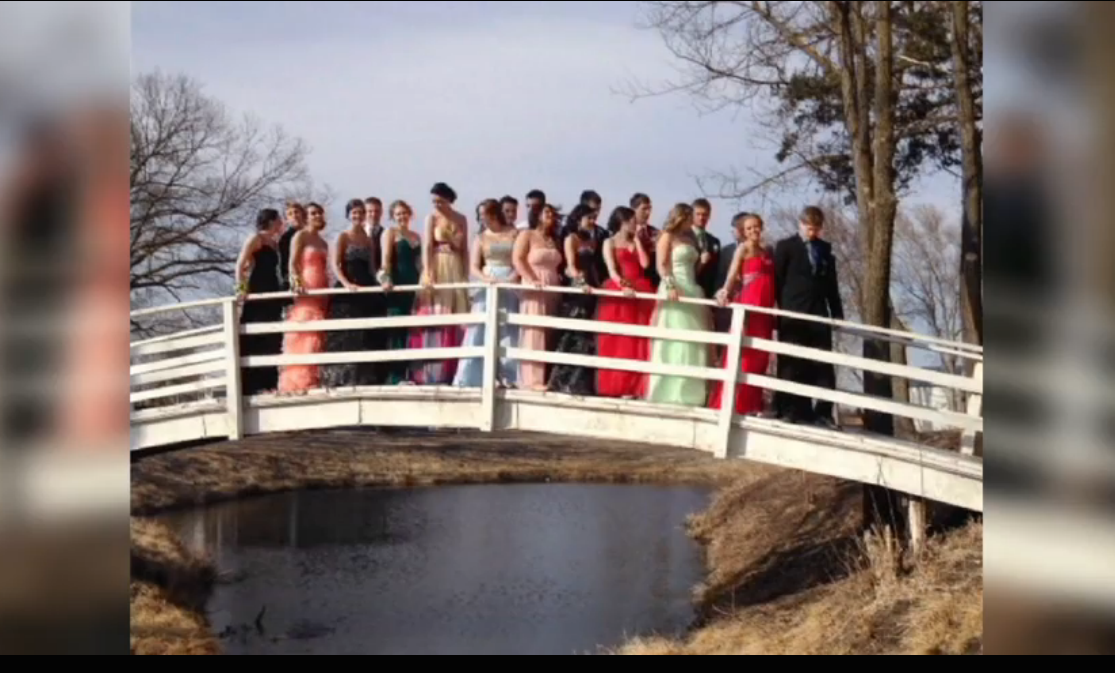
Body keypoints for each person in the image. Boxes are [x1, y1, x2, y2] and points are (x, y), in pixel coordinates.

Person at [772, 205, 843, 428]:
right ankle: (790, 408)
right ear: (801, 224)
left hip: (818, 312)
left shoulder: (825, 250)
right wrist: (778, 311)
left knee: (822, 363)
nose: (812, 233)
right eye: (809, 228)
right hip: (793, 312)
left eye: (816, 229)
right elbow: (777, 280)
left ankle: (823, 411)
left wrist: (837, 313)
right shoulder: (786, 247)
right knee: (792, 362)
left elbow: (831, 284)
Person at [708, 214, 776, 415]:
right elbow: (732, 275)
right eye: (749, 228)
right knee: (745, 354)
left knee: (761, 356)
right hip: (750, 303)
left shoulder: (767, 251)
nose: (754, 230)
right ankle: (737, 403)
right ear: (743, 232)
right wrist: (725, 291)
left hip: (765, 307)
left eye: (756, 227)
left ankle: (754, 403)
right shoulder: (743, 249)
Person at [645, 203, 712, 406]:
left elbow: (693, 269)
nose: (692, 220)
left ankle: (691, 392)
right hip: (673, 286)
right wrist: (670, 285)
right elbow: (661, 265)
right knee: (674, 336)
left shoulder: (690, 238)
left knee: (693, 339)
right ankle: (668, 390)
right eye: (689, 216)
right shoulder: (667, 236)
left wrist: (702, 262)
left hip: (691, 288)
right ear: (681, 217)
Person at [453, 199, 520, 388]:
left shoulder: (513, 233)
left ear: (494, 213)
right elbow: (474, 266)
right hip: (488, 280)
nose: (482, 218)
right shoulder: (480, 237)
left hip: (509, 280)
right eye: (480, 215)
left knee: (508, 327)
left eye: (485, 214)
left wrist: (512, 277)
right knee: (480, 327)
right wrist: (485, 278)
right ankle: (473, 375)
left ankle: (508, 375)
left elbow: (518, 260)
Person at [410, 182, 470, 385]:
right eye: (434, 201)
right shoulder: (431, 218)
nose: (436, 204)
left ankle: (453, 369)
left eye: (440, 201)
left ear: (448, 199)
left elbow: (464, 248)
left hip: (455, 265)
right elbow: (427, 245)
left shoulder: (461, 218)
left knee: (455, 309)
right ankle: (430, 370)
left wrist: (465, 273)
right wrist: (428, 271)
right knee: (435, 310)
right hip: (438, 263)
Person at [595, 206, 653, 398]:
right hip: (620, 288)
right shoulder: (609, 242)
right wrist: (622, 286)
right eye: (632, 221)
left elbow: (645, 264)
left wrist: (637, 241)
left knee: (639, 340)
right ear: (623, 222)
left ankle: (636, 386)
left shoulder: (636, 240)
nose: (636, 224)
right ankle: (618, 385)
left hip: (641, 288)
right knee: (620, 340)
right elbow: (612, 269)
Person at [321, 198, 380, 387]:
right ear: (348, 215)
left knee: (365, 332)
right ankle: (340, 378)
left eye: (361, 212)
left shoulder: (368, 239)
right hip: (348, 285)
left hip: (366, 285)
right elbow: (335, 264)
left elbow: (372, 267)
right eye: (354, 213)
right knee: (345, 333)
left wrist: (379, 283)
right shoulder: (343, 236)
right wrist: (346, 284)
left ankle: (364, 377)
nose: (358, 216)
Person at [547, 204, 605, 395]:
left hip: (591, 286)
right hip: (577, 287)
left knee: (587, 335)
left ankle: (581, 381)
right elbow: (571, 266)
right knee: (573, 331)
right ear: (579, 219)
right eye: (589, 218)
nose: (592, 222)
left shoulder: (592, 240)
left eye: (594, 218)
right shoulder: (571, 238)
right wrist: (581, 283)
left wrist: (598, 286)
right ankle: (563, 380)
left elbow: (594, 266)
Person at [277, 202, 331, 394]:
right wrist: (296, 282)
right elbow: (292, 263)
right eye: (313, 213)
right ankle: (298, 381)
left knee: (318, 334)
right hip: (307, 285)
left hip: (322, 285)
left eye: (319, 213)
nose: (317, 216)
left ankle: (314, 377)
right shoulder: (300, 236)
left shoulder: (323, 243)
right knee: (304, 331)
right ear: (306, 217)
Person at [234, 208, 285, 395]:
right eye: (278, 220)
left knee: (272, 336)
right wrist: (241, 289)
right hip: (258, 287)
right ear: (271, 221)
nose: (281, 223)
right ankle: (252, 384)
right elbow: (240, 264)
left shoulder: (275, 242)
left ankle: (269, 383)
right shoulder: (256, 239)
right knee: (256, 335)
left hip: (272, 288)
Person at [512, 203, 563, 391]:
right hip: (534, 283)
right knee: (535, 331)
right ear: (537, 215)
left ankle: (548, 377)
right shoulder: (527, 234)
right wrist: (532, 279)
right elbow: (517, 259)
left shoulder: (553, 239)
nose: (550, 216)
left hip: (553, 285)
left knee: (550, 330)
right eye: (546, 212)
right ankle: (532, 379)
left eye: (552, 213)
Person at [377, 200, 422, 385]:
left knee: (411, 328)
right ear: (392, 217)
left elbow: (419, 262)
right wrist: (386, 278)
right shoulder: (390, 233)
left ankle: (410, 373)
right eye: (398, 214)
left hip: (413, 282)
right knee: (397, 327)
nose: (402, 216)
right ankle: (395, 376)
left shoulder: (416, 236)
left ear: (409, 213)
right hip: (398, 283)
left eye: (404, 213)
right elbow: (386, 259)